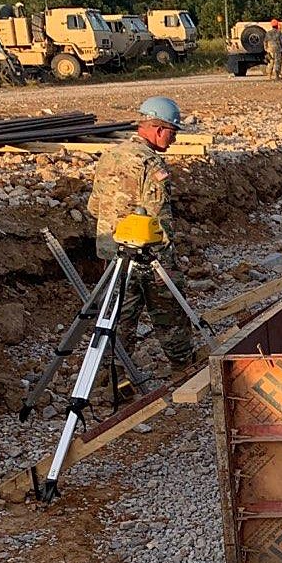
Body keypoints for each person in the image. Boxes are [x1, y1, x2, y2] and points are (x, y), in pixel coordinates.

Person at [87, 96, 195, 374]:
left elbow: (94, 206)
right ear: (159, 129)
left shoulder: (108, 156)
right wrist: (169, 261)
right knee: (169, 311)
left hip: (112, 253)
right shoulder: (151, 165)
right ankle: (183, 366)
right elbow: (160, 219)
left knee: (117, 319)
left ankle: (112, 377)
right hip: (146, 255)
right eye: (173, 132)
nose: (173, 140)